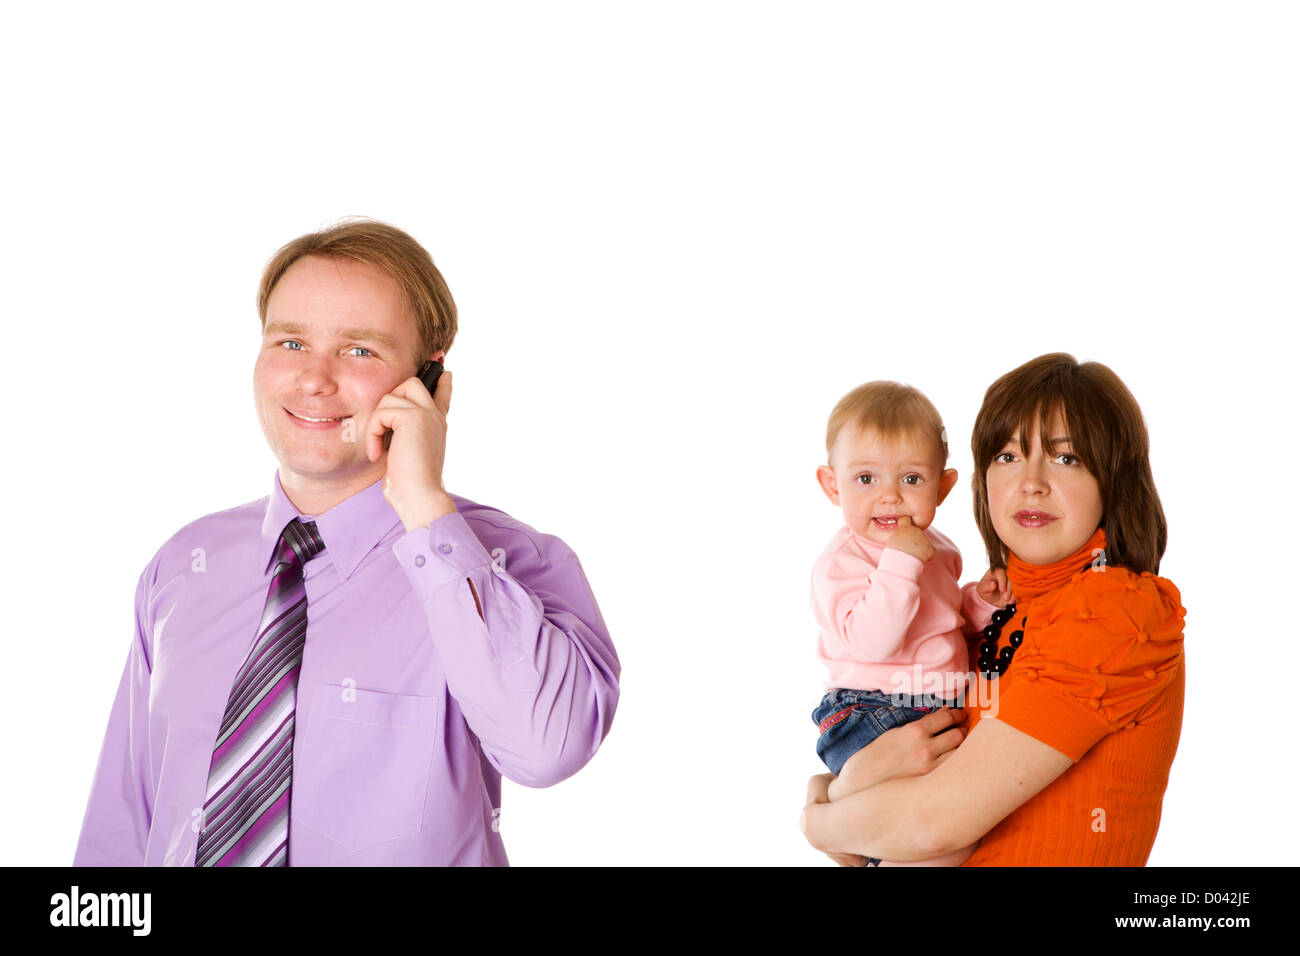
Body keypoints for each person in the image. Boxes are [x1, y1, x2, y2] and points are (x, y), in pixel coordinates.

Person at [74, 219, 620, 866]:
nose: (314, 379)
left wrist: (424, 504)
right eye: (291, 341)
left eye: (360, 350)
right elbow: (123, 821)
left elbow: (547, 748)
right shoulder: (186, 564)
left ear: (428, 380)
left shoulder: (510, 562)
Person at [801, 353, 1185, 866]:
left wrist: (821, 821)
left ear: (1113, 478)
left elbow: (934, 824)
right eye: (1007, 456)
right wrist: (851, 785)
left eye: (1065, 458)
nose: (1031, 482)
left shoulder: (1116, 611)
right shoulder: (997, 614)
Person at [809, 382, 1010, 866]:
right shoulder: (842, 562)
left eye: (912, 480)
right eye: (865, 480)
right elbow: (872, 642)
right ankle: (843, 824)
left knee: (942, 831)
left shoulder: (937, 548)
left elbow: (941, 624)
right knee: (944, 836)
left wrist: (979, 604)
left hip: (930, 704)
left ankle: (847, 827)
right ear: (832, 485)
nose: (891, 498)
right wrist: (898, 565)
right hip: (873, 710)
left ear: (942, 486)